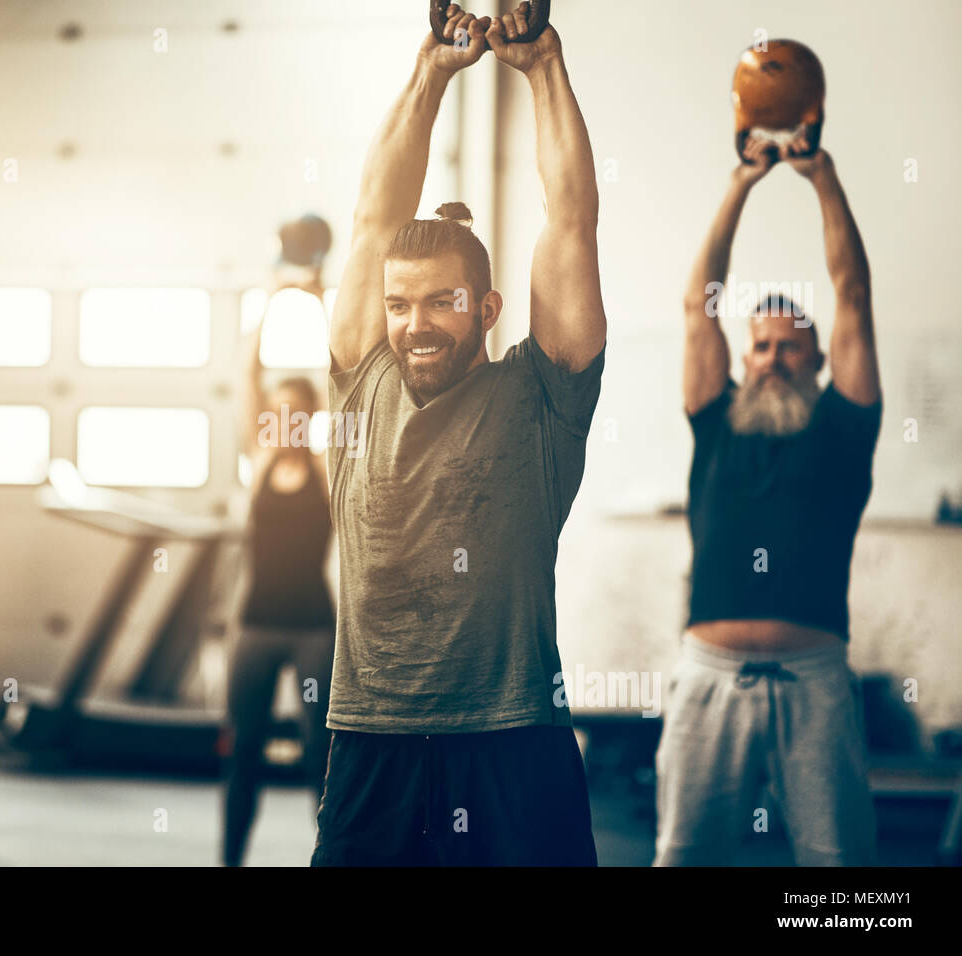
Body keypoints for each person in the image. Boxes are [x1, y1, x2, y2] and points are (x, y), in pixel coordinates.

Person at [310, 3, 606, 866]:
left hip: (513, 735)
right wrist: (433, 70)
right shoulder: (363, 382)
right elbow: (374, 218)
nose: (417, 324)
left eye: (443, 300)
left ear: (488, 308)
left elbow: (572, 220)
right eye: (400, 304)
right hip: (372, 736)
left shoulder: (539, 394)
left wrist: (542, 64)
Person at [655, 136, 881, 865]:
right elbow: (698, 305)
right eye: (761, 346)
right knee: (683, 857)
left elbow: (852, 294)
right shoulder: (714, 422)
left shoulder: (844, 429)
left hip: (814, 684)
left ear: (819, 360)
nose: (774, 359)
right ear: (743, 358)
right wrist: (741, 184)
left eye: (791, 347)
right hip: (707, 681)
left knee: (838, 872)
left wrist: (824, 179)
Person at [222, 266, 336, 867]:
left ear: (310, 415)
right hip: (255, 627)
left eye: (296, 411)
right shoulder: (259, 459)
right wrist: (273, 298)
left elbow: (336, 376)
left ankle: (330, 857)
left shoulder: (325, 468)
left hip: (315, 627)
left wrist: (317, 304)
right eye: (276, 410)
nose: (284, 419)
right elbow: (247, 371)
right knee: (243, 752)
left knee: (320, 753)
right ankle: (230, 857)